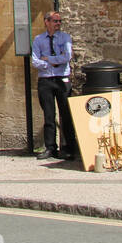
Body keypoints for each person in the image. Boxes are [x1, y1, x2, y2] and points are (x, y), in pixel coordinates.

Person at [31, 11, 77, 160]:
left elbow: (66, 57)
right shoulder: (38, 40)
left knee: (66, 115)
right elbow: (35, 61)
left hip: (62, 79)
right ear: (47, 22)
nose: (58, 24)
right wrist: (51, 63)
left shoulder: (65, 38)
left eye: (59, 21)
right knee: (49, 115)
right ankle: (51, 148)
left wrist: (49, 59)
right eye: (55, 21)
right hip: (46, 80)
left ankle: (69, 147)